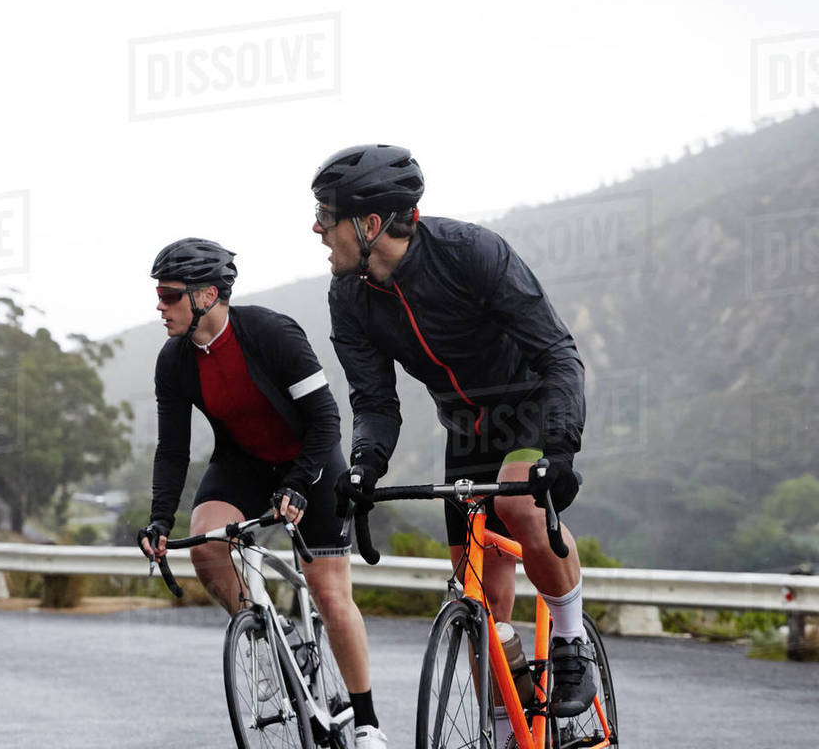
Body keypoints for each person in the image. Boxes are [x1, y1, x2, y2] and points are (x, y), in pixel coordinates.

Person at [310, 145, 596, 728]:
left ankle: (570, 643)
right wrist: (364, 464)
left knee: (518, 500)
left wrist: (561, 449)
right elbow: (375, 402)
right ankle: (506, 724)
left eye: (325, 214)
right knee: (479, 600)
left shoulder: (471, 253)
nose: (316, 228)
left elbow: (560, 355)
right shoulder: (348, 297)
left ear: (368, 224)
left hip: (531, 407)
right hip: (465, 430)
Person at [137, 237, 388, 749]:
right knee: (207, 545)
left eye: (169, 295)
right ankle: (281, 638)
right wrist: (160, 519)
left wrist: (298, 482)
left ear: (206, 295)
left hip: (310, 462)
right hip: (243, 464)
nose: (160, 307)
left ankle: (366, 723)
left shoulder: (270, 332)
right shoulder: (174, 360)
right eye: (159, 296)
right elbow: (172, 451)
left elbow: (326, 419)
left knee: (329, 593)